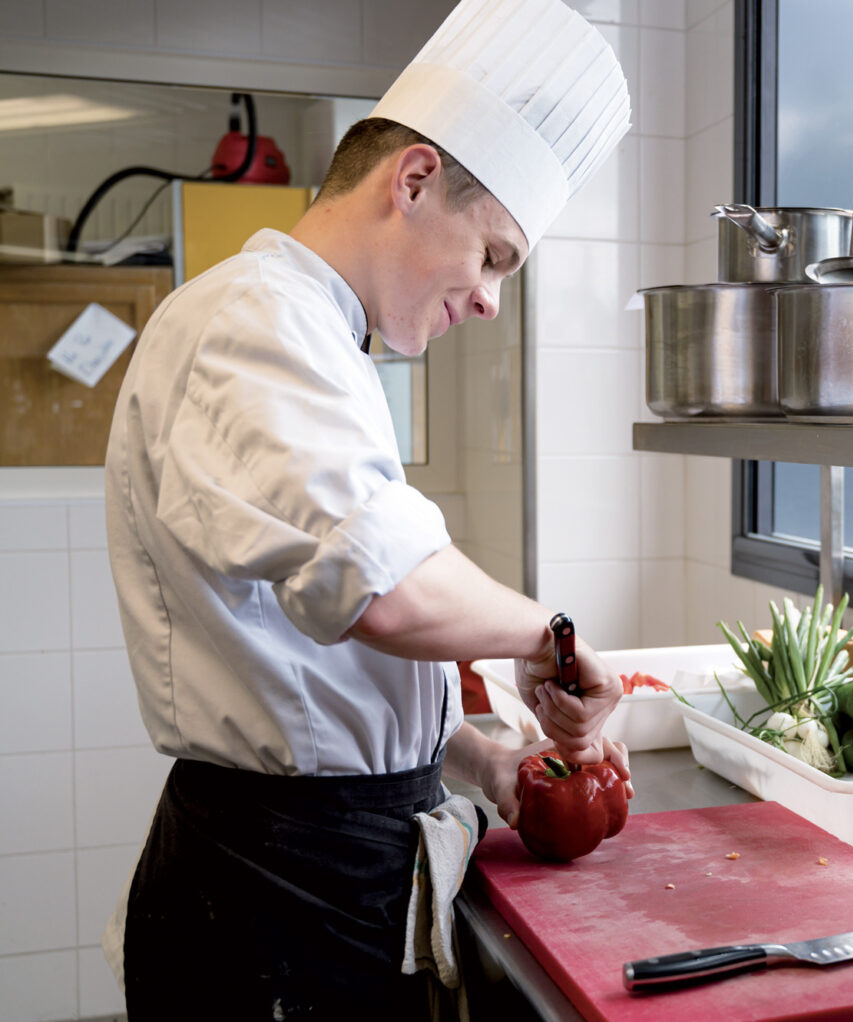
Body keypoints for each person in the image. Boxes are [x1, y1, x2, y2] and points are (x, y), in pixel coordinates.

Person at [101, 0, 631, 1017]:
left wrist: (483, 758)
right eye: (493, 257)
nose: (488, 301)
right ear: (416, 178)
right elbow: (381, 588)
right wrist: (546, 630)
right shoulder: (254, 321)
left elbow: (315, 674)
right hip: (272, 901)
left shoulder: (315, 339)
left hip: (316, 879)